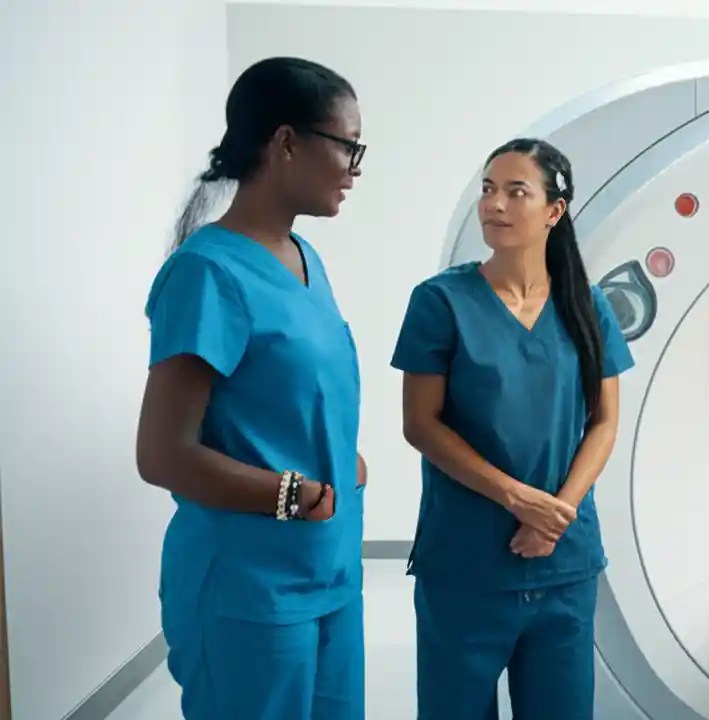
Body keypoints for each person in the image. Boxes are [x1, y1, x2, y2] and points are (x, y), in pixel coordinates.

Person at [135, 57, 369, 720]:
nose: (357, 166)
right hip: (249, 588)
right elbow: (163, 454)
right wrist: (295, 494)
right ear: (286, 143)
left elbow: (293, 394)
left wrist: (340, 463)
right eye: (348, 145)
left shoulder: (304, 260)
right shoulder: (207, 273)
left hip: (329, 572)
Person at [391, 137, 635, 719]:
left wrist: (556, 514)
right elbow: (419, 425)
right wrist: (519, 499)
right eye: (488, 189)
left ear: (554, 210)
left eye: (515, 191)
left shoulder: (587, 305)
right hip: (467, 562)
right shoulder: (441, 301)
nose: (493, 205)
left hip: (563, 566)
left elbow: (604, 423)